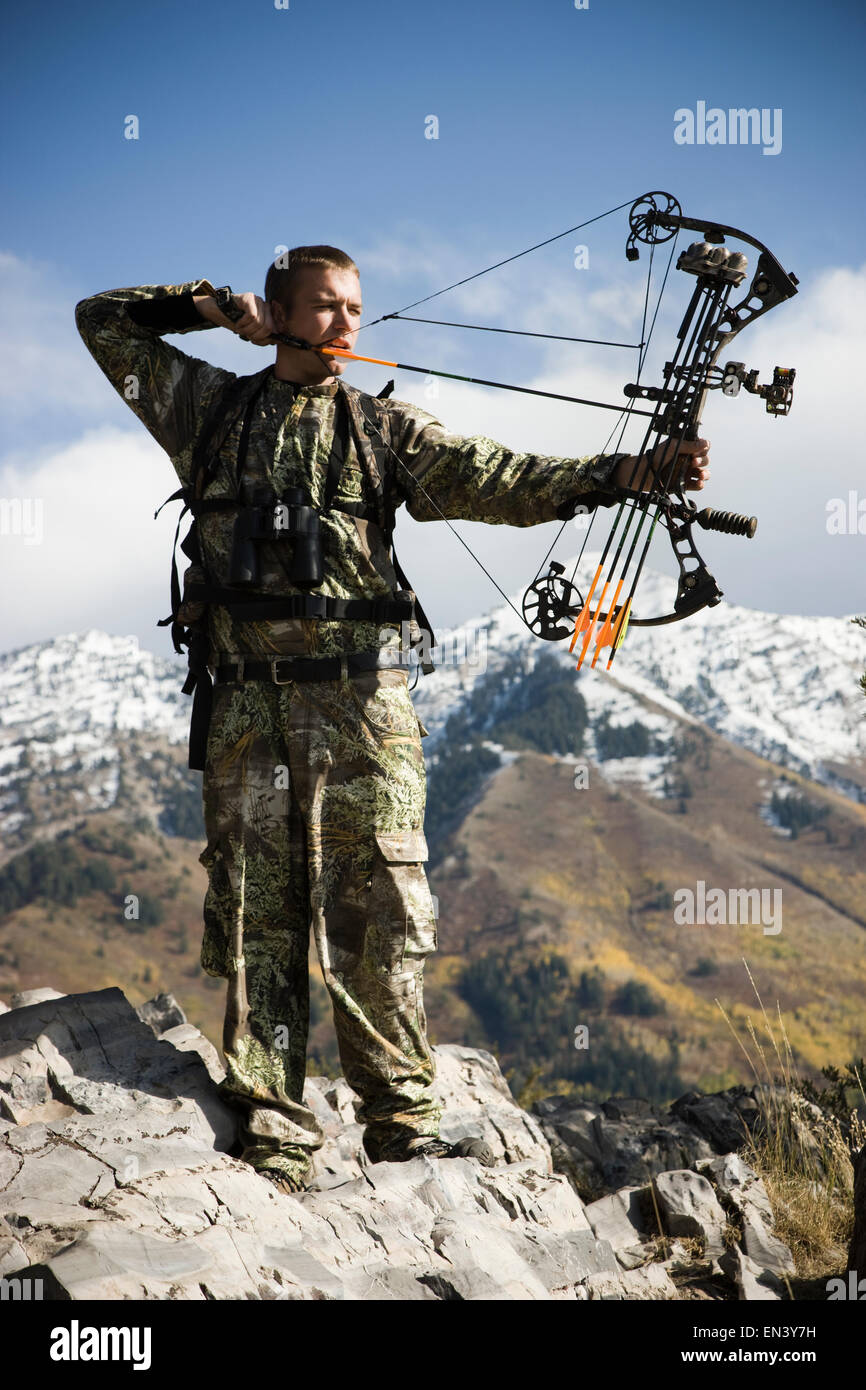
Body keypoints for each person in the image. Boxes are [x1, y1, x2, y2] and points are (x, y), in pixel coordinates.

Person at [75, 246, 710, 1194]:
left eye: (356, 311)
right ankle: (274, 1127)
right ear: (278, 311)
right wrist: (208, 307)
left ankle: (403, 1125)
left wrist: (630, 470)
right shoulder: (205, 408)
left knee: (382, 914)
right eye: (323, 308)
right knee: (260, 914)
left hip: (366, 707)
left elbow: (503, 478)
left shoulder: (384, 430)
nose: (344, 326)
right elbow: (102, 319)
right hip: (247, 704)